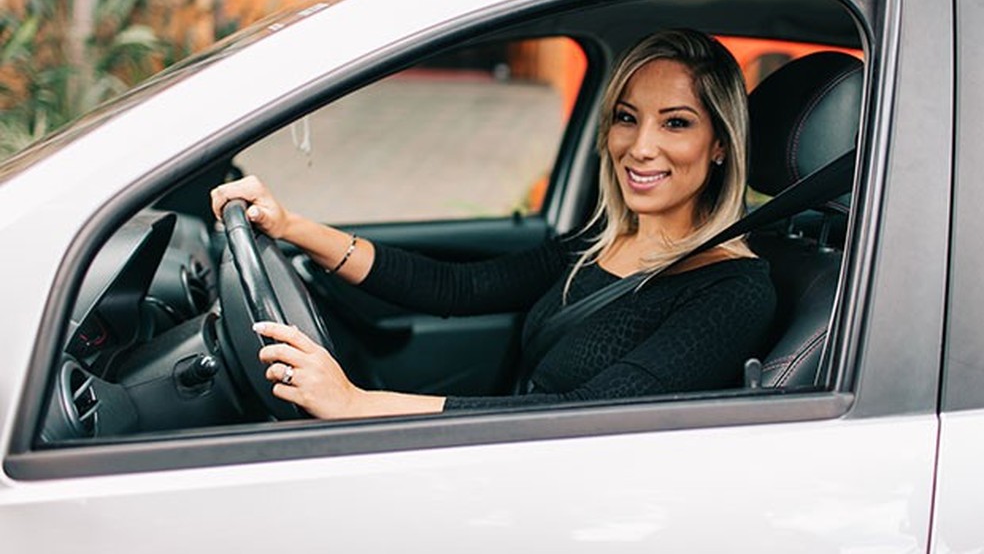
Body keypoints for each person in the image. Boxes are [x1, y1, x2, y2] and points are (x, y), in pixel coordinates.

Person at [210, 29, 776, 420]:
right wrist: (290, 225)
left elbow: (583, 417)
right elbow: (459, 287)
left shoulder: (734, 290)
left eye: (676, 123)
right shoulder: (603, 240)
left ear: (720, 144)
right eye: (627, 118)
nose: (641, 147)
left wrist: (358, 403)